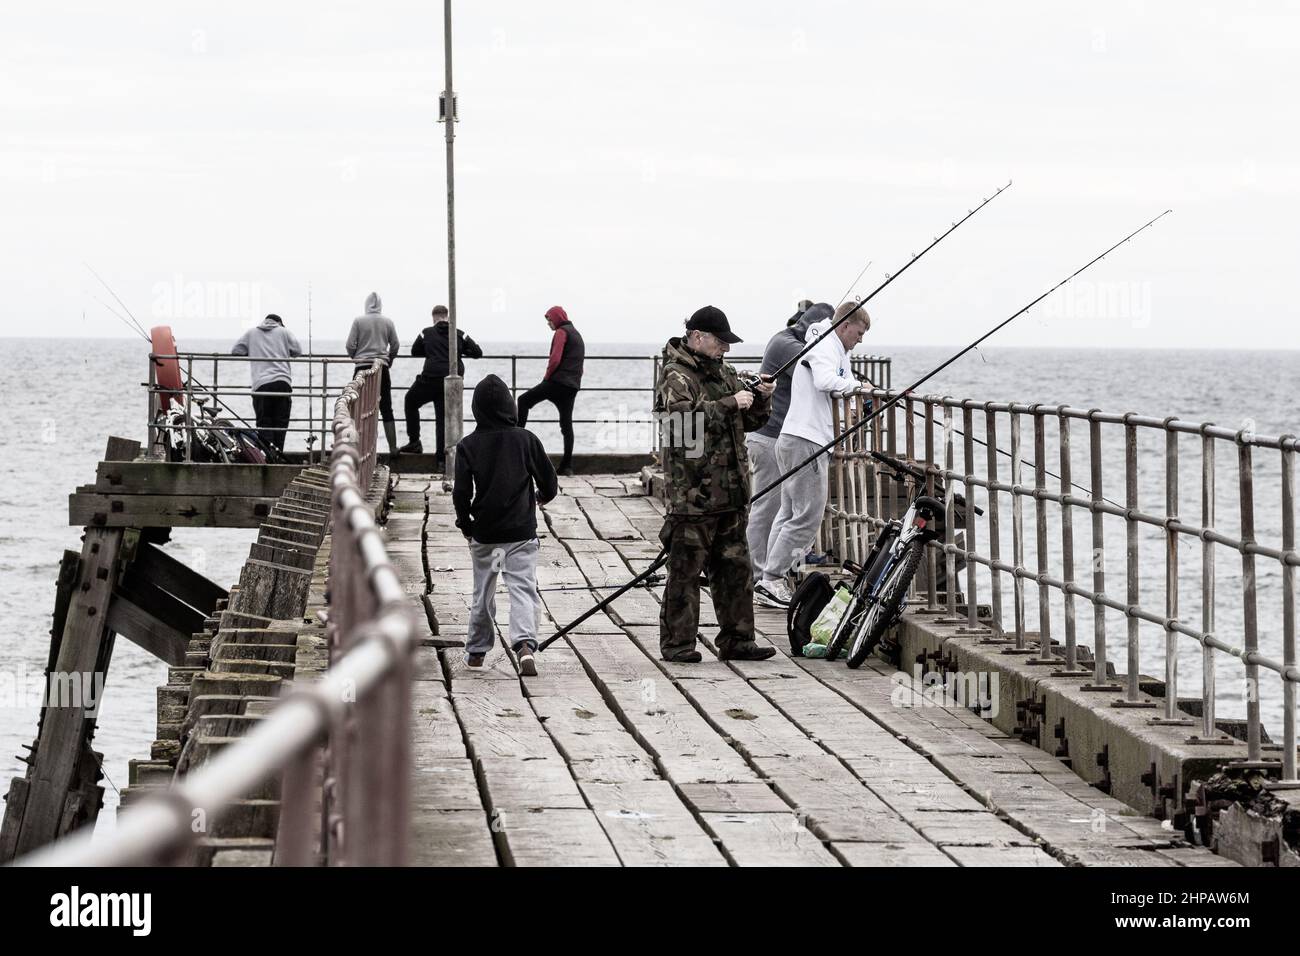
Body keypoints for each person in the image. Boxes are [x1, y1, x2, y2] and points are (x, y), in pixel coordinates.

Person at [655, 305, 777, 663]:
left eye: (728, 342)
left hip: (731, 492)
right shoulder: (675, 376)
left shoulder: (725, 374)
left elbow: (749, 421)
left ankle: (738, 641)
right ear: (696, 337)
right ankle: (678, 645)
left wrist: (761, 398)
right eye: (720, 341)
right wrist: (728, 403)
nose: (726, 348)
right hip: (692, 495)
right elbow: (680, 425)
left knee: (736, 571)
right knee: (685, 572)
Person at [756, 299, 875, 608]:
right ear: (844, 325)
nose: (860, 340)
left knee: (788, 513)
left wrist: (852, 386)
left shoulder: (831, 348)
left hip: (795, 438)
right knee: (808, 516)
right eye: (859, 332)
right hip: (805, 440)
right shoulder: (824, 346)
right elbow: (825, 381)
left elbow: (834, 383)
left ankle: (770, 579)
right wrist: (857, 386)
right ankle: (771, 579)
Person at [453, 374, 558, 676]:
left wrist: (466, 525)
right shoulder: (526, 439)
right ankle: (525, 645)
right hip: (521, 534)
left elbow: (461, 493)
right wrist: (539, 498)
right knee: (523, 588)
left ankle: (476, 652)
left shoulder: (468, 445)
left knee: (482, 593)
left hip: (485, 535)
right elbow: (550, 483)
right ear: (510, 407)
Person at [745, 301, 834, 583]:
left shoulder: (789, 340)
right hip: (769, 437)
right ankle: (757, 575)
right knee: (766, 509)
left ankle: (770, 574)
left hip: (779, 439)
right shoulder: (786, 344)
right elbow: (815, 367)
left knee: (784, 510)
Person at [400, 304, 483, 467]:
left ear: (434, 318)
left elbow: (415, 351)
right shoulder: (459, 334)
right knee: (442, 419)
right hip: (450, 381)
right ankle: (441, 460)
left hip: (429, 379)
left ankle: (415, 442)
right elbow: (477, 352)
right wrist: (459, 351)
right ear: (448, 317)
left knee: (410, 401)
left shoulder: (426, 333)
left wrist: (432, 351)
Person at [517, 305, 584, 475]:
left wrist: (546, 378)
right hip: (571, 386)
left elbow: (555, 359)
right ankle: (567, 466)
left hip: (556, 383)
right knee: (566, 425)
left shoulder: (561, 333)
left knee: (523, 401)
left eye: (549, 320)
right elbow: (579, 366)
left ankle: (515, 445)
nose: (548, 324)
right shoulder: (577, 334)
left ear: (557, 318)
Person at [231, 313, 302, 458]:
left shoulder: (251, 333)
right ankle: (278, 455)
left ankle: (267, 457)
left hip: (261, 384)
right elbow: (298, 351)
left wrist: (254, 351)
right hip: (282, 382)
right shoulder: (284, 332)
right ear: (280, 323)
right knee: (280, 424)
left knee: (264, 423)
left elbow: (236, 351)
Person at [345, 292, 401, 456]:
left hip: (361, 368)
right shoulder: (388, 322)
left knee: (357, 408)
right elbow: (395, 345)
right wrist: (389, 359)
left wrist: (356, 357)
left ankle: (355, 446)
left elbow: (349, 345)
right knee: (386, 408)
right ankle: (393, 448)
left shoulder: (358, 321)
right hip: (382, 368)